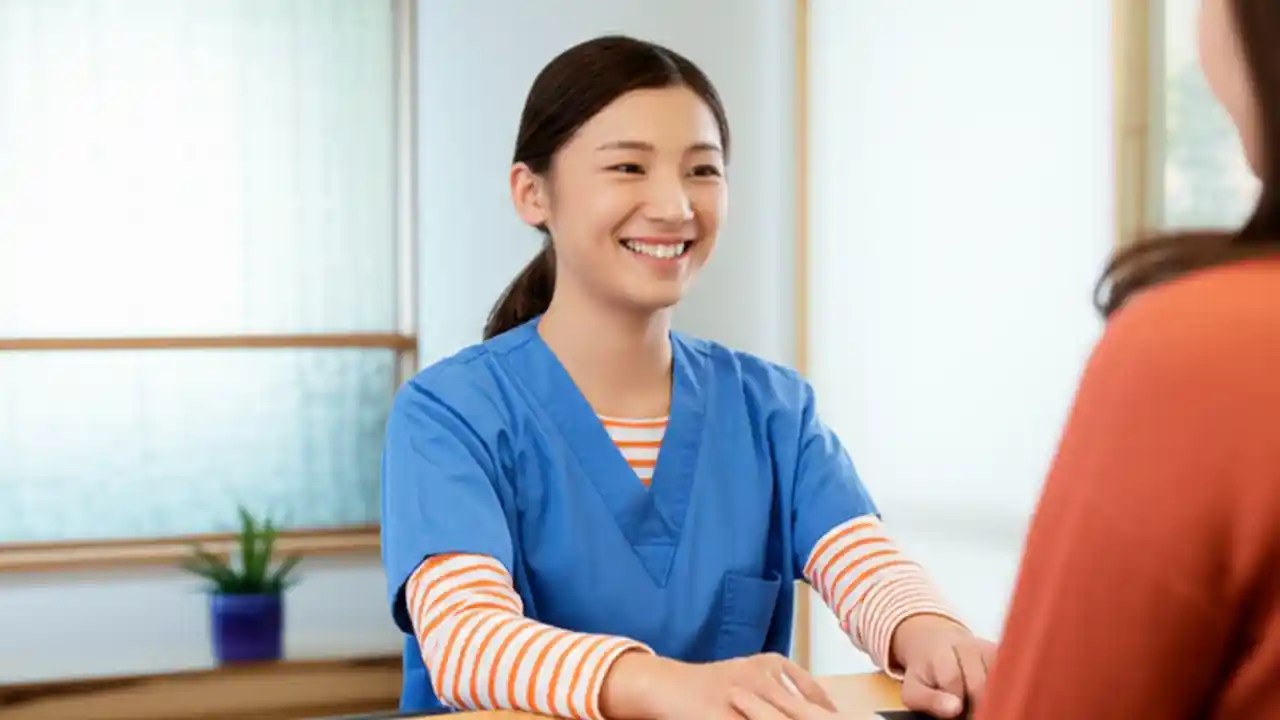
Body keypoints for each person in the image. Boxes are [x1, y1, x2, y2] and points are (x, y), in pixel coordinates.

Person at [382, 35, 994, 720]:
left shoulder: (772, 409)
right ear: (532, 193)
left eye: (703, 171)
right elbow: (469, 644)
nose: (675, 206)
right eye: (627, 168)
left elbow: (866, 565)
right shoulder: (447, 414)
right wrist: (668, 685)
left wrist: (932, 633)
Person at [977, 0, 1280, 717]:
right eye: (646, 166)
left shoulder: (1201, 351)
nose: (672, 203)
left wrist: (915, 624)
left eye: (706, 169)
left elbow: (848, 544)